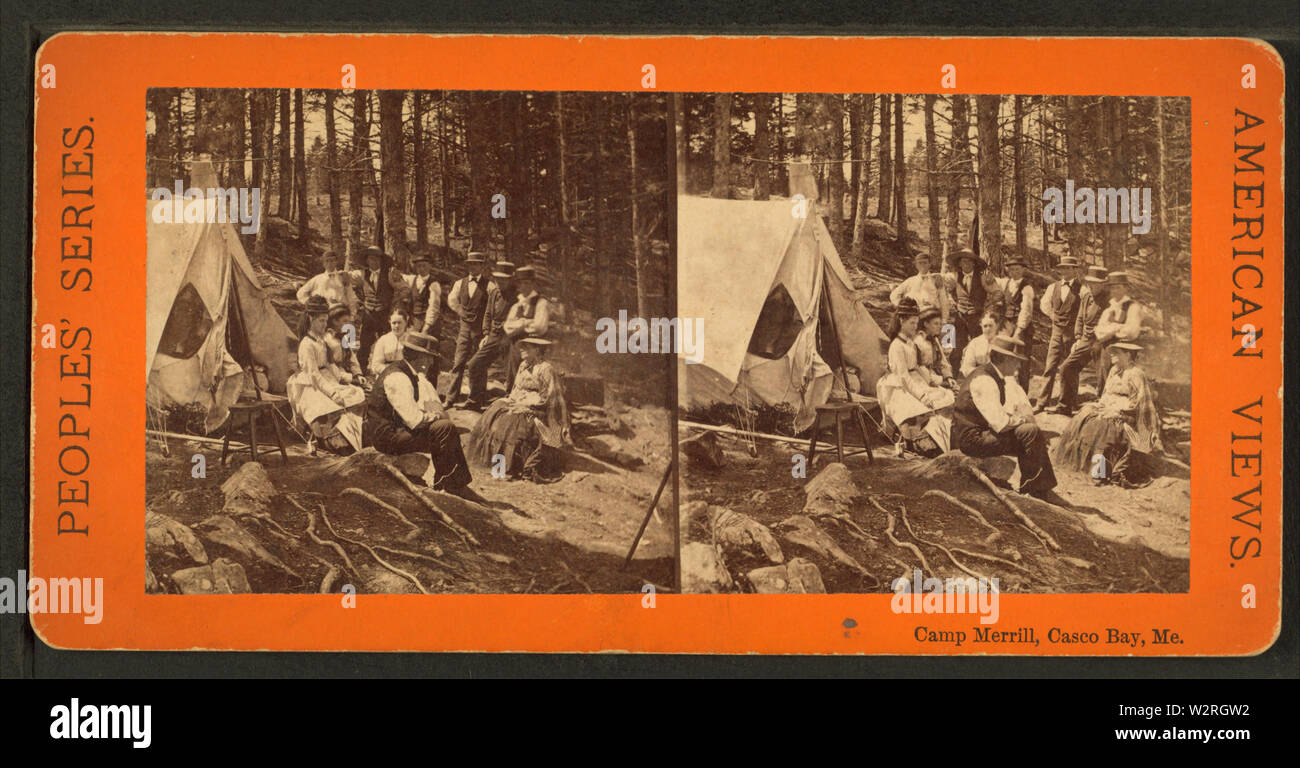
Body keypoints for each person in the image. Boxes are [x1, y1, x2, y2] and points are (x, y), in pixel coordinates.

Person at [364, 332, 473, 495]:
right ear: (418, 357)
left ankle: (451, 482)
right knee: (444, 429)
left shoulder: (408, 373)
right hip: (387, 438)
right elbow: (414, 420)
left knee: (443, 429)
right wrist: (435, 416)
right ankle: (452, 485)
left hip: (396, 430)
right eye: (428, 357)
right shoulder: (398, 377)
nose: (430, 362)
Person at [952, 334, 1057, 498]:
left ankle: (1037, 486)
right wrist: (1022, 419)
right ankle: (1037, 490)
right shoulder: (984, 380)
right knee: (1030, 432)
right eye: (1015, 360)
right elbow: (1000, 424)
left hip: (980, 432)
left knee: (1028, 432)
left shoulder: (994, 375)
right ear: (1002, 359)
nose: (1018, 365)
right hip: (972, 440)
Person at [1053, 342, 1163, 488]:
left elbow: (1139, 402)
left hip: (1128, 415)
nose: (1111, 355)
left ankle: (1100, 472)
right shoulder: (1114, 370)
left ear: (1128, 355)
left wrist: (1118, 411)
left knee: (1104, 427)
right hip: (1108, 407)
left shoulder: (1136, 373)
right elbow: (1106, 393)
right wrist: (1101, 405)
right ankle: (1084, 465)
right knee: (1085, 415)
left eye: (1116, 352)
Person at [467, 336, 570, 483]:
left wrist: (526, 404)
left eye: (526, 347)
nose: (521, 349)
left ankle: (512, 467)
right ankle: (495, 464)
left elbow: (550, 397)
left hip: (540, 410)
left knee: (514, 422)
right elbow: (516, 388)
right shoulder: (523, 365)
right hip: (519, 401)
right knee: (496, 411)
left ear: (537, 350)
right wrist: (511, 401)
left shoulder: (546, 369)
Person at [875, 298, 954, 457]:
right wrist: (922, 395)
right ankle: (915, 440)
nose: (914, 326)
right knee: (917, 408)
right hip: (897, 386)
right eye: (911, 323)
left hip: (915, 379)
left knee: (943, 397)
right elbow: (903, 377)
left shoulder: (911, 343)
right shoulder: (896, 346)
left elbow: (917, 367)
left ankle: (940, 438)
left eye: (916, 323)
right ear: (902, 321)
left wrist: (931, 383)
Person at [286, 296, 366, 454]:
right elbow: (314, 375)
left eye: (325, 320)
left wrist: (348, 379)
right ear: (311, 319)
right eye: (321, 321)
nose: (324, 324)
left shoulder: (321, 340)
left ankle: (354, 435)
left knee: (354, 394)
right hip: (310, 385)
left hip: (327, 378)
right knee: (328, 405)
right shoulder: (306, 344)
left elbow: (330, 365)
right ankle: (326, 438)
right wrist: (332, 392)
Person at [1054, 265, 1110, 414]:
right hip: (1085, 340)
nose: (1091, 286)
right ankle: (1066, 405)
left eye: (1095, 283)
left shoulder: (1109, 300)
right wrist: (1078, 338)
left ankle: (1103, 408)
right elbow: (1080, 318)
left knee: (1103, 374)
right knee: (1067, 368)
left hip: (1102, 341)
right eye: (1089, 283)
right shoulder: (1086, 296)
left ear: (1103, 284)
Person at [463, 261, 517, 411]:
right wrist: (486, 334)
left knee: (511, 371)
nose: (500, 282)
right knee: (474, 364)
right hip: (493, 336)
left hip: (510, 337)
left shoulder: (517, 296)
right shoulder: (493, 292)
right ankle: (475, 400)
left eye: (504, 279)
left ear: (511, 279)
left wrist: (509, 334)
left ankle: (510, 404)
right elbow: (487, 314)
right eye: (497, 279)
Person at [1033, 255, 1083, 410]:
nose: (1065, 271)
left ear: (1075, 270)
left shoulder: (1083, 289)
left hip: (1073, 333)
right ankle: (1042, 402)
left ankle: (1068, 402)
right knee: (1050, 366)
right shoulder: (1053, 287)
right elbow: (1044, 304)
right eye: (1062, 268)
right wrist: (1052, 314)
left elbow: (1085, 310)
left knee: (1070, 368)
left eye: (1068, 268)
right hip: (1056, 332)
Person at [442, 253, 490, 406]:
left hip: (480, 330)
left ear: (482, 266)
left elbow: (495, 304)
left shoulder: (489, 285)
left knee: (479, 364)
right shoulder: (459, 283)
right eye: (470, 264)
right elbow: (451, 299)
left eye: (476, 264)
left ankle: (477, 398)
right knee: (458, 362)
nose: (473, 267)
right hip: (464, 329)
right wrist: (459, 310)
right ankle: (450, 398)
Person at [987, 255, 1036, 392]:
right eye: (1012, 269)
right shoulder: (1006, 283)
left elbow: (1026, 310)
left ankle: (1023, 394)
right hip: (1006, 325)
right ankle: (1004, 392)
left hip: (1021, 327)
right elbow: (991, 281)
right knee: (1002, 357)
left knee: (1021, 362)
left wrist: (1019, 330)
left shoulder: (1027, 288)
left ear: (1023, 270)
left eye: (1018, 269)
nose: (1015, 272)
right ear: (1008, 271)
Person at [502, 264, 551, 394]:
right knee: (513, 378)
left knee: (532, 380)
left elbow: (540, 327)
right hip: (516, 347)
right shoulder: (517, 304)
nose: (523, 286)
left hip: (533, 348)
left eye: (527, 283)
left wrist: (519, 324)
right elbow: (507, 328)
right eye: (521, 283)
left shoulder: (541, 303)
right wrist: (526, 323)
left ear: (533, 284)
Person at [1092, 271, 1145, 387]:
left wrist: (1111, 329)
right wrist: (1117, 328)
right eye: (1112, 288)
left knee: (1124, 382)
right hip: (1108, 351)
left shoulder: (1133, 307)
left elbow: (1131, 332)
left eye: (1118, 288)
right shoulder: (1109, 308)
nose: (1115, 291)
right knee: (1105, 380)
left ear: (1125, 288)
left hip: (1125, 351)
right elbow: (1099, 333)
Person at [348, 247, 397, 366]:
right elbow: (346, 279)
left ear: (381, 260)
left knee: (387, 344)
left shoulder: (389, 274)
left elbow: (402, 289)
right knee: (364, 345)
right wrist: (359, 301)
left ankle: (388, 371)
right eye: (371, 259)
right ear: (367, 261)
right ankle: (361, 372)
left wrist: (394, 305)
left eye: (376, 259)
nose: (374, 261)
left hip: (384, 315)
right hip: (369, 315)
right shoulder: (362, 274)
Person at [946, 247, 991, 368]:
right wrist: (952, 302)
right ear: (960, 263)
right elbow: (947, 291)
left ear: (974, 263)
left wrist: (985, 308)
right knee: (956, 347)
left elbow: (996, 293)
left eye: (970, 261)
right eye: (964, 261)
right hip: (960, 317)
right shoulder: (955, 276)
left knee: (980, 347)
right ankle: (953, 377)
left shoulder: (982, 277)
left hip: (977, 317)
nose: (966, 264)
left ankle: (980, 376)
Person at [295, 250, 355, 338]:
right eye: (327, 261)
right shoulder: (318, 279)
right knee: (325, 342)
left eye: (332, 260)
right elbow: (300, 293)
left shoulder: (343, 277)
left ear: (336, 262)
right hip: (324, 315)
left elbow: (351, 297)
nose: (330, 263)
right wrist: (311, 305)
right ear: (323, 263)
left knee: (345, 342)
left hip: (340, 315)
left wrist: (352, 315)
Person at [890, 250, 952, 322]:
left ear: (929, 264)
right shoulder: (910, 281)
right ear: (916, 265)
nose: (922, 265)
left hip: (931, 317)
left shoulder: (936, 280)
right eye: (920, 263)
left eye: (925, 263)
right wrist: (904, 308)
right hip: (914, 316)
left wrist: (944, 320)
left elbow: (943, 302)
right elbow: (894, 295)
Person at [394, 250, 443, 339]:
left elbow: (434, 307)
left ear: (430, 266)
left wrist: (427, 326)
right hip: (414, 320)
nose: (422, 269)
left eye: (424, 266)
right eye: (419, 266)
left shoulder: (434, 284)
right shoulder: (413, 279)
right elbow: (400, 277)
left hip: (429, 322)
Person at [324, 302, 367, 389]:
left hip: (344, 374)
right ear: (335, 321)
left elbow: (351, 358)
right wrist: (351, 379)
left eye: (349, 321)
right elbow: (329, 366)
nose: (348, 325)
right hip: (330, 375)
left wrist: (358, 374)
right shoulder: (327, 340)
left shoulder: (344, 337)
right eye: (345, 321)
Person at [915, 306, 959, 389]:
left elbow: (942, 362)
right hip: (922, 379)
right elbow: (919, 368)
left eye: (940, 324)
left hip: (936, 377)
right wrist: (941, 381)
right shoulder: (918, 341)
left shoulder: (935, 340)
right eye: (936, 324)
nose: (939, 327)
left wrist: (948, 377)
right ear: (926, 324)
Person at [367, 307, 411, 377]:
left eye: (399, 323)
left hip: (406, 376)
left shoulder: (411, 340)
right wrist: (391, 370)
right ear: (389, 322)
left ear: (405, 322)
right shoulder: (383, 340)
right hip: (386, 376)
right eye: (394, 323)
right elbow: (375, 365)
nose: (397, 326)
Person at [959, 311, 1001, 378]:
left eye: (990, 326)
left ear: (997, 325)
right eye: (985, 326)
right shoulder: (975, 343)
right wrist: (983, 374)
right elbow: (966, 368)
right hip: (978, 378)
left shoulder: (1003, 342)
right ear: (981, 325)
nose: (988, 329)